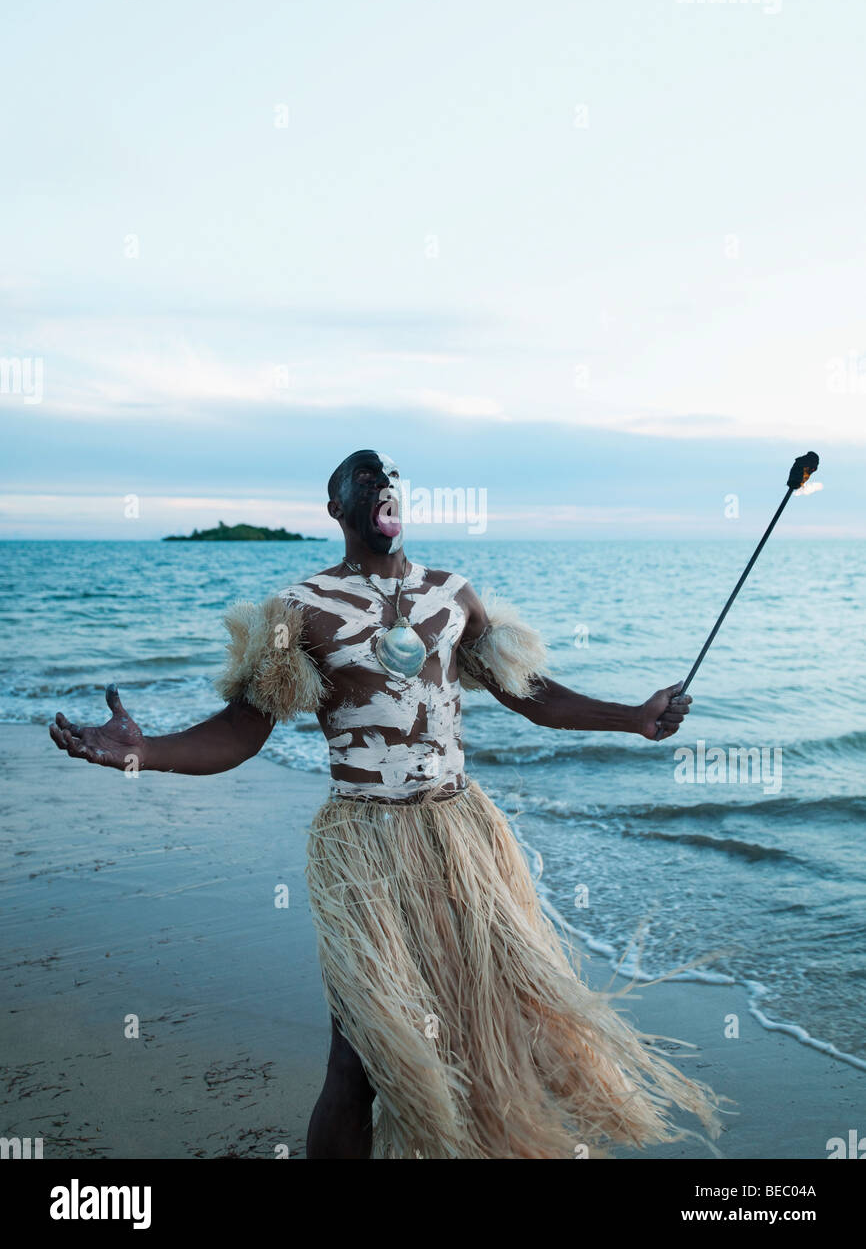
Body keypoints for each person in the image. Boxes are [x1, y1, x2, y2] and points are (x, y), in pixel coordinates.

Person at [49, 449, 722, 1159]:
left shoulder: (453, 595)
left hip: (460, 835)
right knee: (360, 1054)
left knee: (484, 1024)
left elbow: (532, 695)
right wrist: (146, 751)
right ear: (336, 507)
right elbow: (243, 732)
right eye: (364, 479)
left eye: (391, 479)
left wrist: (633, 717)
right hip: (364, 845)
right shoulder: (299, 610)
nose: (383, 485)